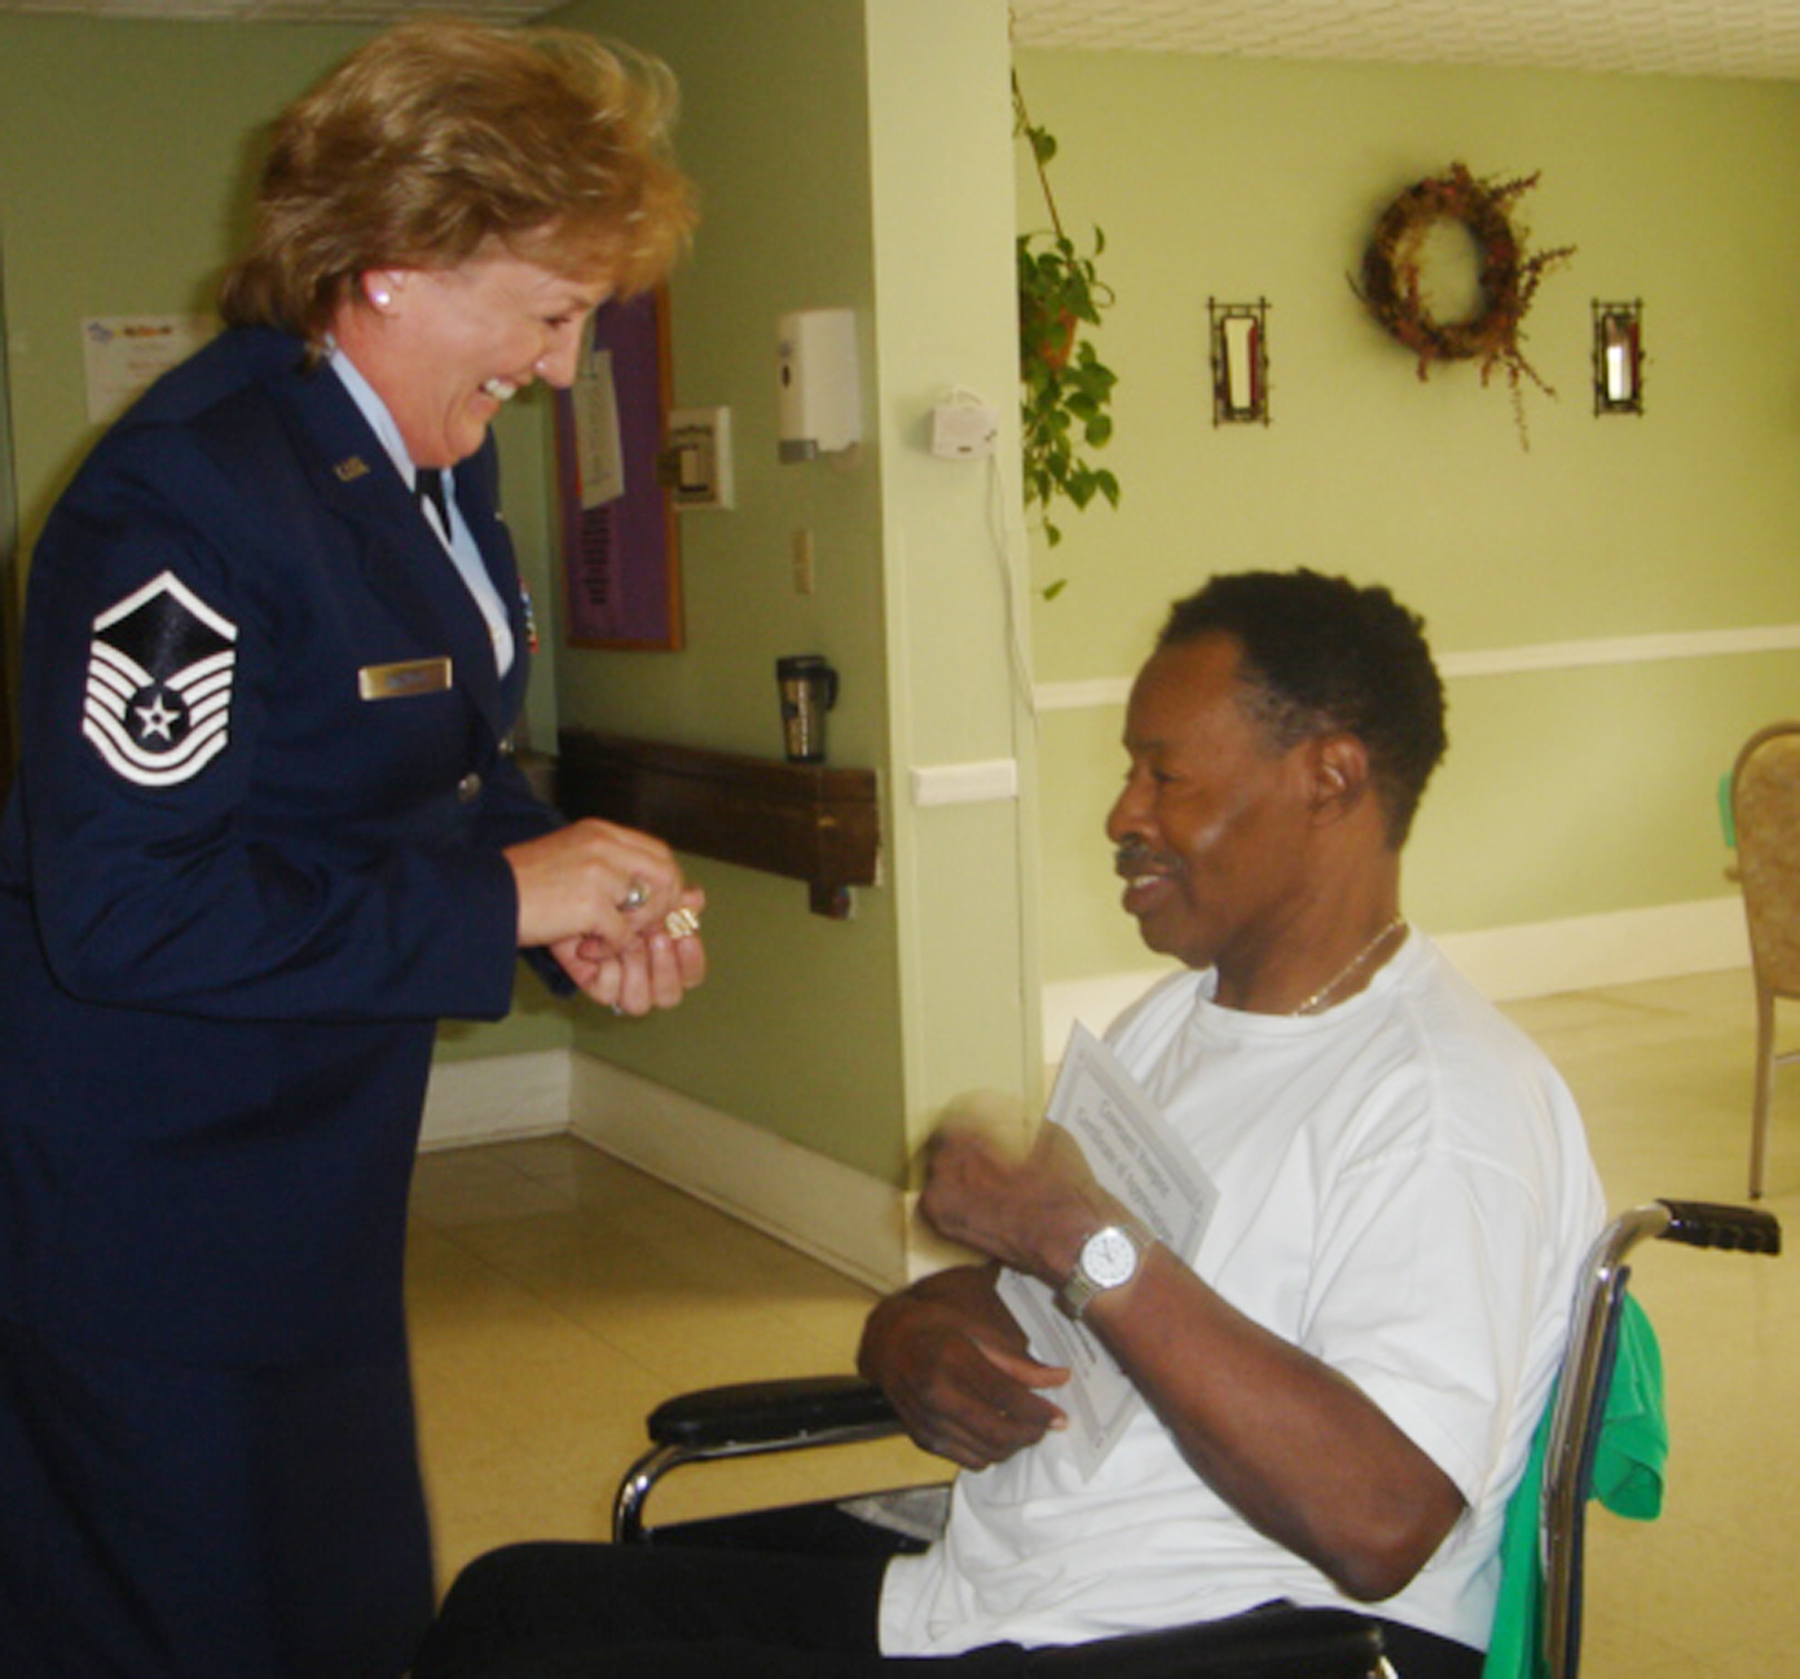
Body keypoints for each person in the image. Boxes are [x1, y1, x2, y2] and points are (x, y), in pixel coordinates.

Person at [411, 570, 1604, 1679]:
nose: (1121, 812)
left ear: (1330, 777)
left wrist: (1088, 1239)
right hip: (1008, 1588)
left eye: (1165, 774)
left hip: (1219, 1634)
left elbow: (1383, 1520)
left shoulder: (1447, 1102)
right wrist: (908, 1335)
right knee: (513, 1608)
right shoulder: (1176, 1021)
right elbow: (1036, 1302)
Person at [0, 20, 705, 1678]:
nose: (556, 363)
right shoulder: (180, 501)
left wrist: (559, 893)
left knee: (345, 1601)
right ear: (397, 263)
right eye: (546, 312)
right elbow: (123, 907)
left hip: (303, 1182)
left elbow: (412, 777)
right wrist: (493, 897)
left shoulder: (425, 469)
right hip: (141, 1210)